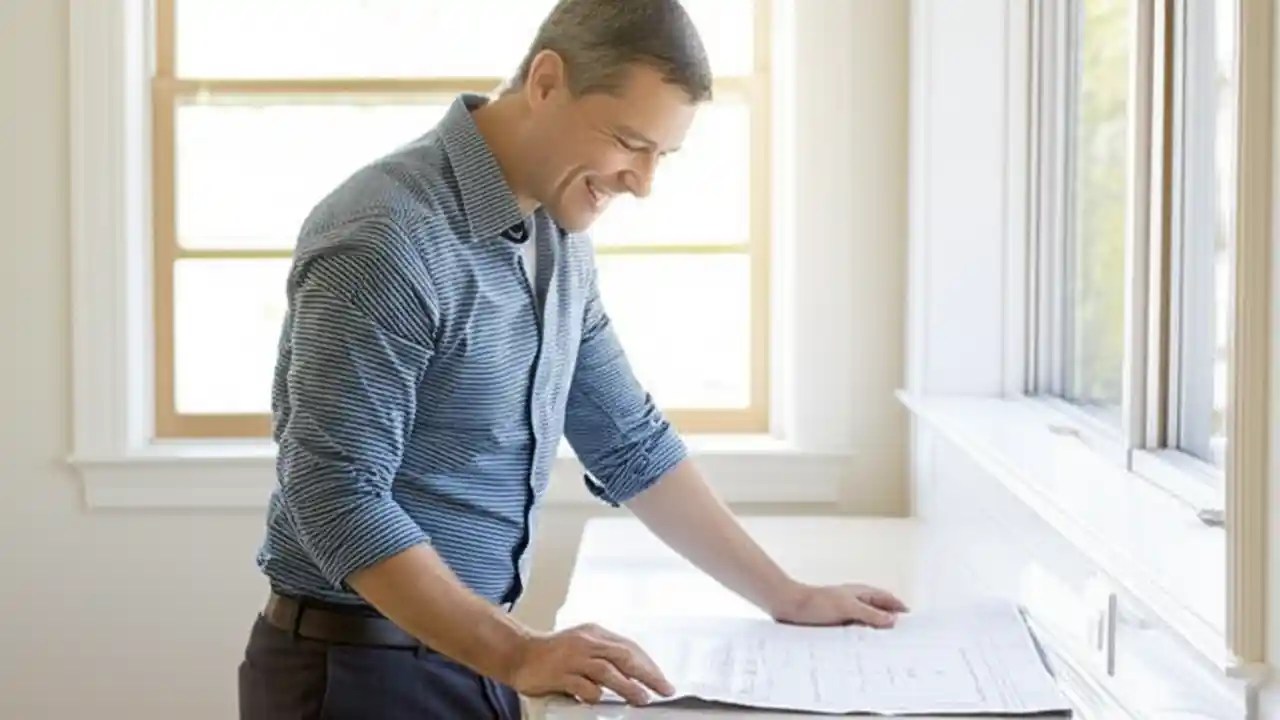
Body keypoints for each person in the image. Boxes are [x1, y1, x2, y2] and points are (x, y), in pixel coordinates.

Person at [236, 1, 908, 718]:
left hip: (471, 655)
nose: (643, 182)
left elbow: (630, 442)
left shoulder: (554, 238)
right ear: (548, 81)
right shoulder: (386, 237)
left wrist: (789, 596)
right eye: (628, 141)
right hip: (358, 675)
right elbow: (337, 498)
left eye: (662, 155)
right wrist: (518, 652)